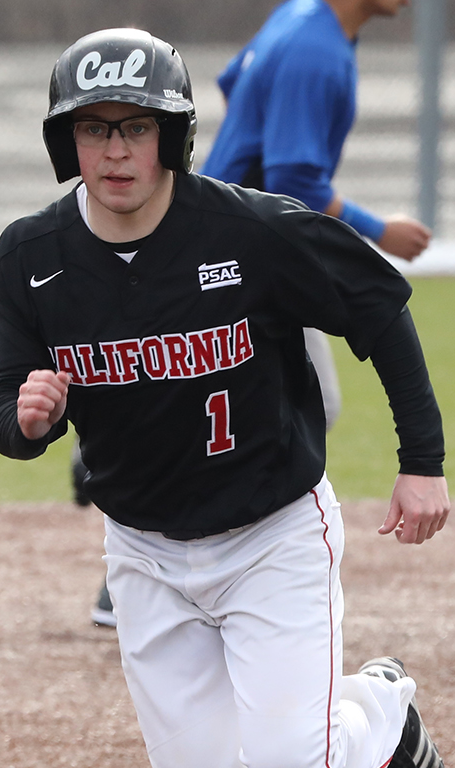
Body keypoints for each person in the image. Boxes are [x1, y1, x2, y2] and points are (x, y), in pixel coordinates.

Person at [0, 28, 452, 768]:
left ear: (172, 137)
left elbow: (378, 303)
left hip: (270, 535)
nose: (115, 149)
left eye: (136, 127)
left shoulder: (248, 232)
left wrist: (423, 458)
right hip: (146, 556)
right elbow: (4, 414)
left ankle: (385, 704)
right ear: (67, 143)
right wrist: (26, 418)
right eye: (93, 128)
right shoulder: (33, 257)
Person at [80, 0, 431, 629]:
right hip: (238, 259)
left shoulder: (300, 20)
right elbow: (295, 177)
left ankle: (146, 509)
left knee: (275, 399)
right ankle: (228, 567)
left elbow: (235, 83)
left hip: (216, 238)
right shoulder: (315, 50)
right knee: (305, 400)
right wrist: (381, 230)